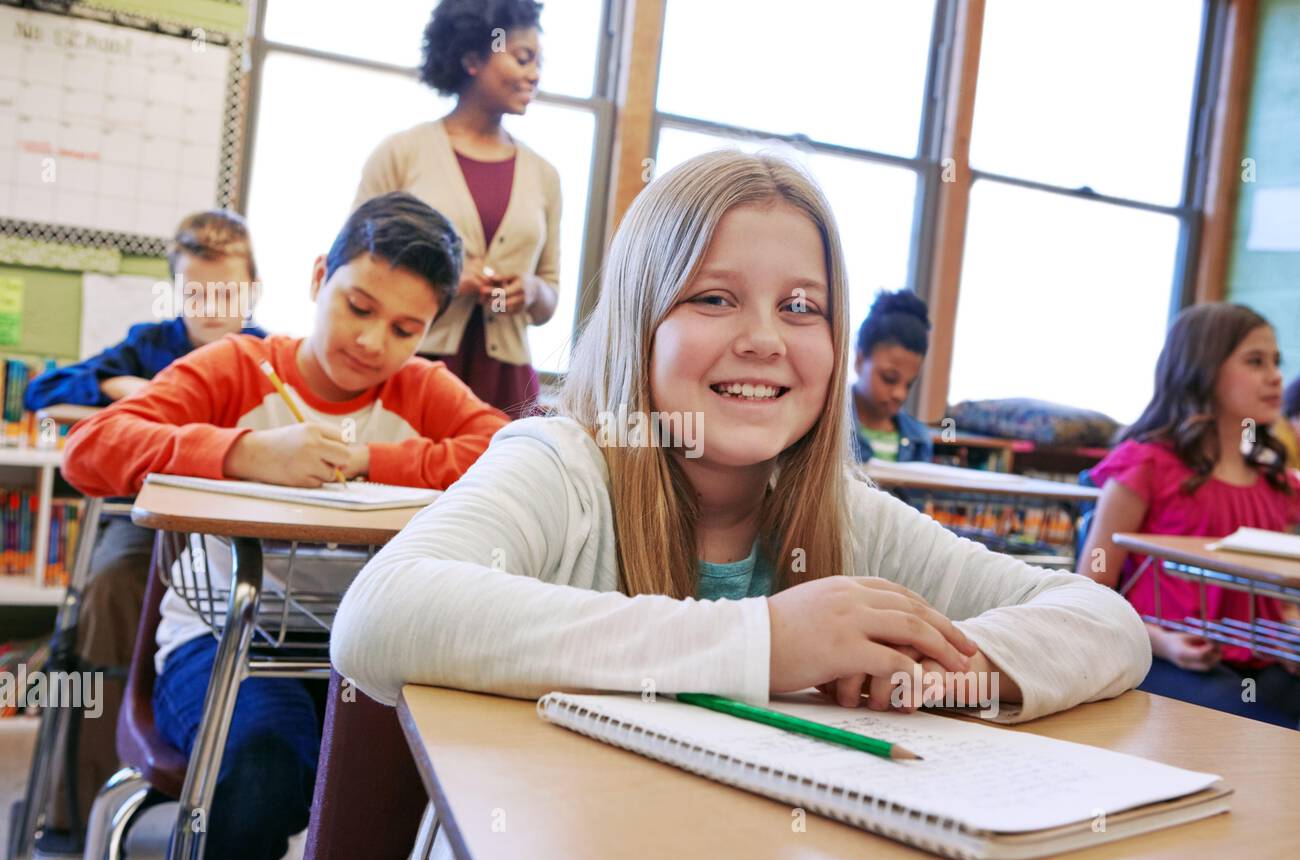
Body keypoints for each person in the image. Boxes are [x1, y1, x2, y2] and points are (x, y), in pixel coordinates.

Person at [331, 151, 1149, 732]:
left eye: (802, 308)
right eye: (715, 298)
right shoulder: (560, 467)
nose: (766, 340)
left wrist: (950, 670)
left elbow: (1103, 621)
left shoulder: (846, 518)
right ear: (637, 327)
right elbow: (381, 615)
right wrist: (768, 641)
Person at [61, 192, 510, 860]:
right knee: (268, 763)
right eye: (358, 307)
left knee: (429, 772)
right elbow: (91, 449)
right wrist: (241, 453)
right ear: (318, 275)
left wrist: (366, 459)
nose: (370, 342)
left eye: (404, 328)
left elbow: (507, 453)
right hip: (221, 642)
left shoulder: (421, 389)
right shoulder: (238, 367)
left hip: (358, 648)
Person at [21, 209, 265, 860]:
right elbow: (45, 391)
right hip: (145, 527)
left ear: (254, 291)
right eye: (195, 292)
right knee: (109, 589)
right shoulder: (151, 344)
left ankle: (239, 798)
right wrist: (124, 384)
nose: (211, 307)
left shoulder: (268, 357)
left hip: (235, 533)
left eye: (228, 292)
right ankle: (75, 809)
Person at [1080, 303, 1300, 728]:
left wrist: (1289, 634)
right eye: (1255, 362)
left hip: (1259, 665)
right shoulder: (1144, 467)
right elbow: (1089, 590)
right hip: (1159, 656)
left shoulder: (1280, 486)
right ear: (1202, 371)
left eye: (1276, 362)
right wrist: (1162, 642)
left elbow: (1279, 599)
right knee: (1244, 723)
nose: (1275, 376)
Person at [354, 0, 560, 417]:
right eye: (523, 59)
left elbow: (549, 293)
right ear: (472, 59)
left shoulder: (544, 175)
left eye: (540, 62)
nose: (534, 74)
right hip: (414, 365)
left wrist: (532, 290)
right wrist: (442, 280)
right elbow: (355, 262)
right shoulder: (401, 153)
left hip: (507, 384)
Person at [851, 289, 933, 462]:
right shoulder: (827, 427)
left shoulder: (919, 438)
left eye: (909, 384)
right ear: (859, 361)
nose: (900, 394)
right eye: (889, 378)